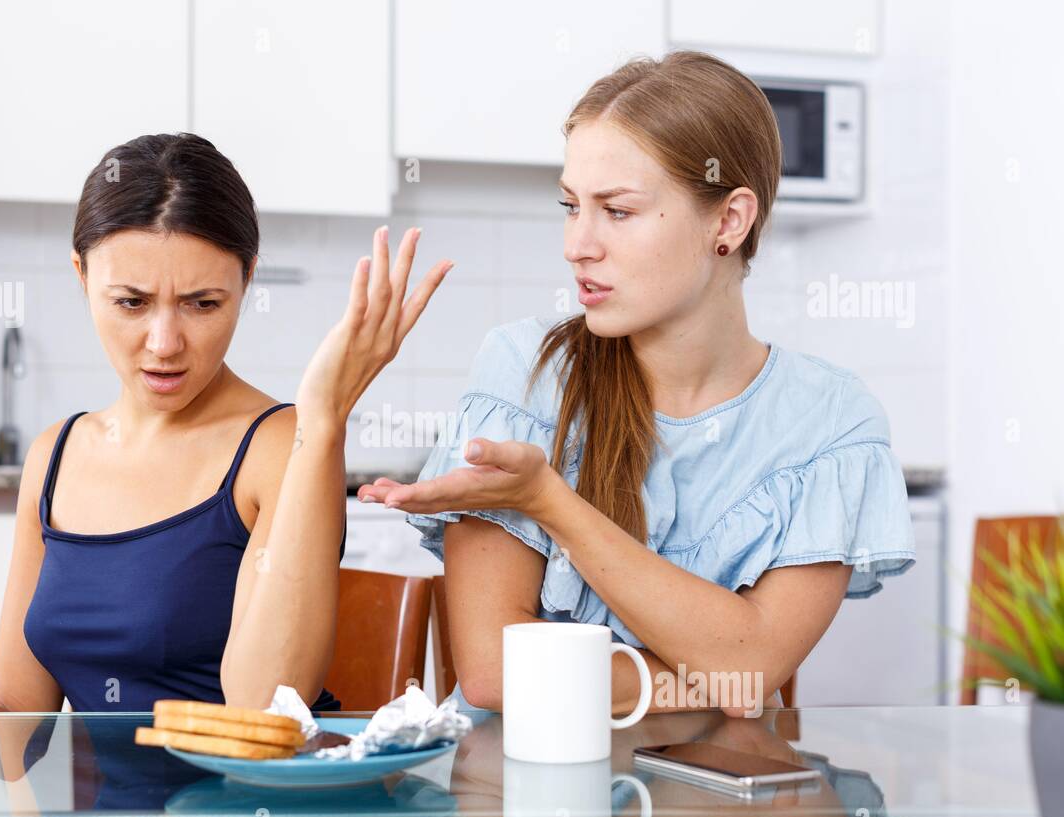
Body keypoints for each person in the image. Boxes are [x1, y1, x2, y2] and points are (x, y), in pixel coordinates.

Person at [359, 52, 915, 717]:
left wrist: (550, 502)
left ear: (729, 222)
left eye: (616, 211)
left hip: (714, 813)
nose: (577, 244)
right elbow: (494, 674)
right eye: (571, 206)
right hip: (514, 801)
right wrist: (699, 682)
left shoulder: (832, 425)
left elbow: (752, 664)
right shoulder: (523, 371)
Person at [0, 132, 452, 713]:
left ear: (247, 281)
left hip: (243, 804)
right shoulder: (53, 457)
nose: (164, 344)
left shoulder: (283, 444)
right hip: (95, 809)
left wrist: (324, 420)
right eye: (131, 303)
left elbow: (263, 705)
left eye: (202, 303)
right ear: (82, 277)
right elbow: (15, 730)